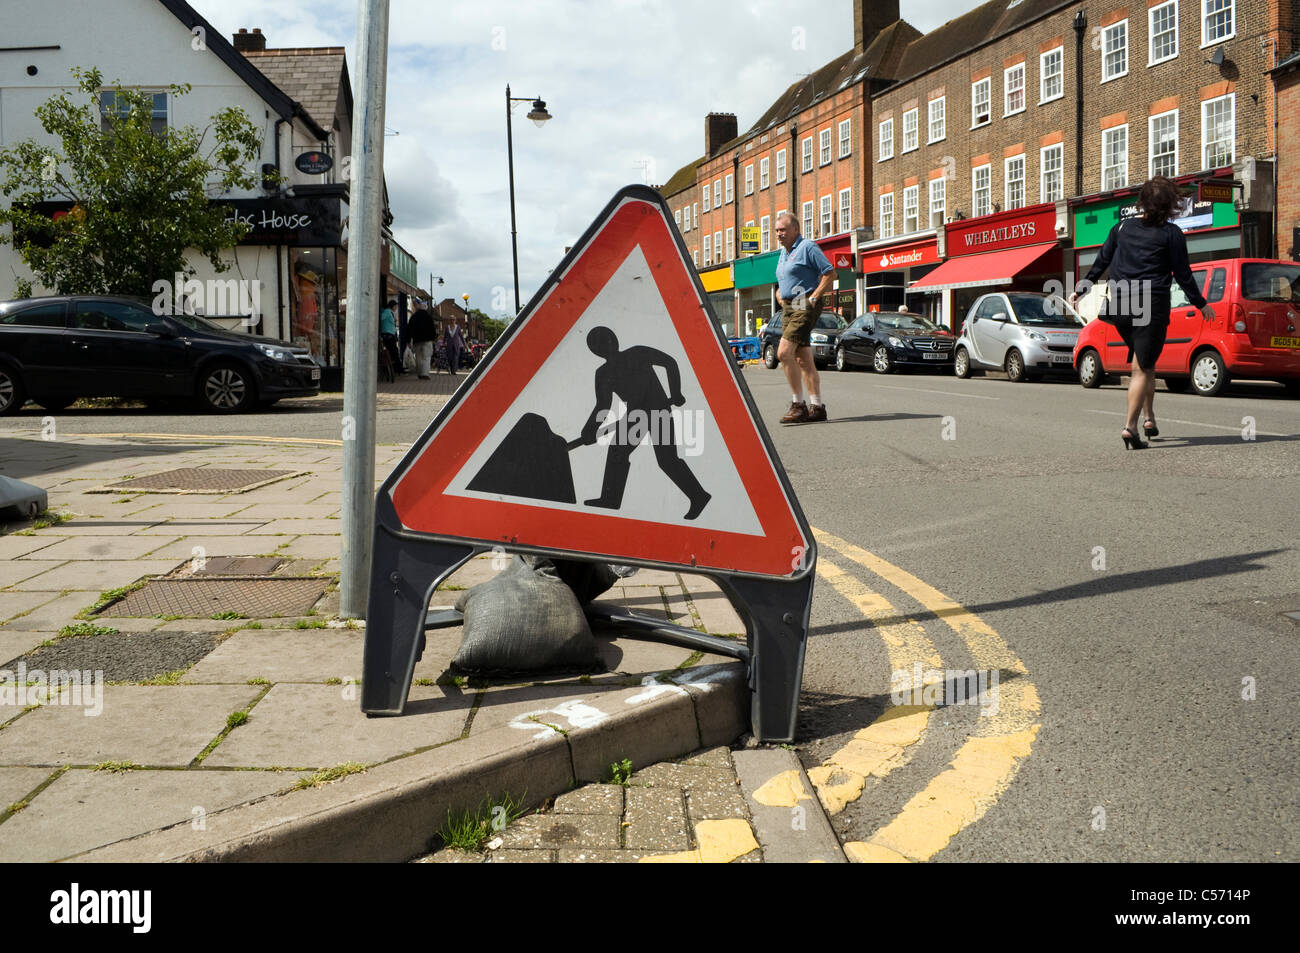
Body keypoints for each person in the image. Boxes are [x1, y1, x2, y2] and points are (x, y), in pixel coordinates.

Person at [1070, 176, 1213, 449]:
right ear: (1169, 205)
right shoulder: (1171, 234)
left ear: (1142, 202)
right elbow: (1183, 274)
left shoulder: (1121, 227)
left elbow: (1102, 260)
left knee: (1144, 363)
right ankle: (1130, 427)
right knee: (1142, 369)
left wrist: (1082, 288)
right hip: (1151, 304)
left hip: (1121, 304)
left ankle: (1149, 417)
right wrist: (1200, 303)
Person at [578, 326, 711, 520]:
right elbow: (603, 405)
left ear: (614, 339)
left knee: (667, 460)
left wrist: (675, 392)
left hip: (658, 411)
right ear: (595, 351)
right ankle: (610, 499)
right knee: (617, 451)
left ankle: (698, 496)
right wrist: (589, 429)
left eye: (605, 339)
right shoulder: (603, 373)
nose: (604, 345)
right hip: (635, 417)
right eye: (597, 344)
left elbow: (669, 363)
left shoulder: (638, 353)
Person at [774, 211, 835, 423]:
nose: (779, 234)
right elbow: (785, 278)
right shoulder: (783, 252)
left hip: (804, 301)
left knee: (783, 352)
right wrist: (779, 294)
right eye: (777, 230)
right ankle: (817, 407)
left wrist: (815, 297)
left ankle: (798, 406)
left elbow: (829, 272)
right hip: (789, 305)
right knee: (803, 358)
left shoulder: (807, 247)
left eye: (782, 230)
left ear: (795, 229)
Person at [406, 306, 436, 379]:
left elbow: (409, 329)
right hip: (427, 340)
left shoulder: (413, 317)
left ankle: (420, 373)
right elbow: (433, 329)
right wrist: (433, 338)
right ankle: (425, 374)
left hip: (417, 340)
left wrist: (408, 340)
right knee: (426, 357)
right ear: (426, 308)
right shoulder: (429, 317)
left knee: (418, 357)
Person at [379, 300, 402, 372]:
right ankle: (398, 369)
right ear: (392, 306)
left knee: (394, 351)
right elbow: (381, 318)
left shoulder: (390, 313)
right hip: (387, 335)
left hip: (391, 335)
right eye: (395, 306)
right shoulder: (387, 312)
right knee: (393, 352)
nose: (396, 308)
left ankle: (397, 368)